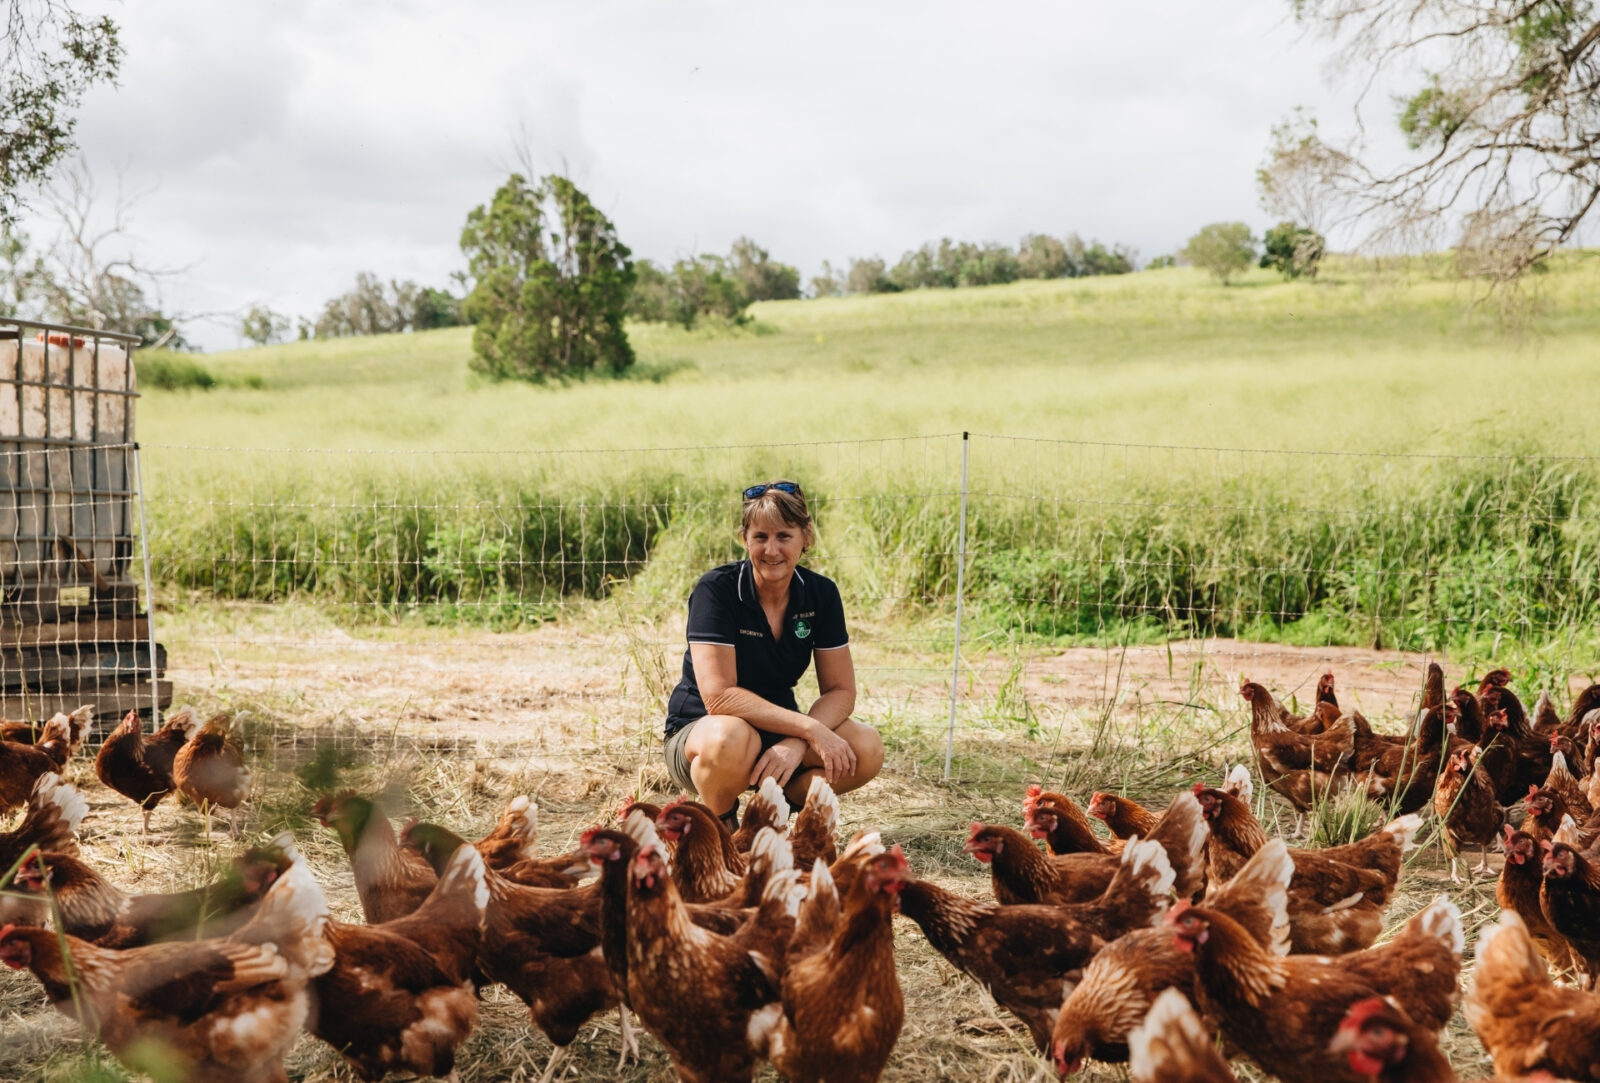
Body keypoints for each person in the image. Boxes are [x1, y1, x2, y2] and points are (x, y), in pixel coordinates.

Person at [663, 479, 884, 829]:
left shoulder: (821, 594)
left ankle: (772, 813)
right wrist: (809, 729)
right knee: (731, 737)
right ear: (744, 538)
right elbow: (719, 698)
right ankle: (722, 829)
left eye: (784, 536)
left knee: (866, 747)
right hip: (706, 734)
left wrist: (797, 742)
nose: (771, 550)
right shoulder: (716, 590)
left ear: (806, 537)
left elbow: (841, 691)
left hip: (779, 731)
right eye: (760, 537)